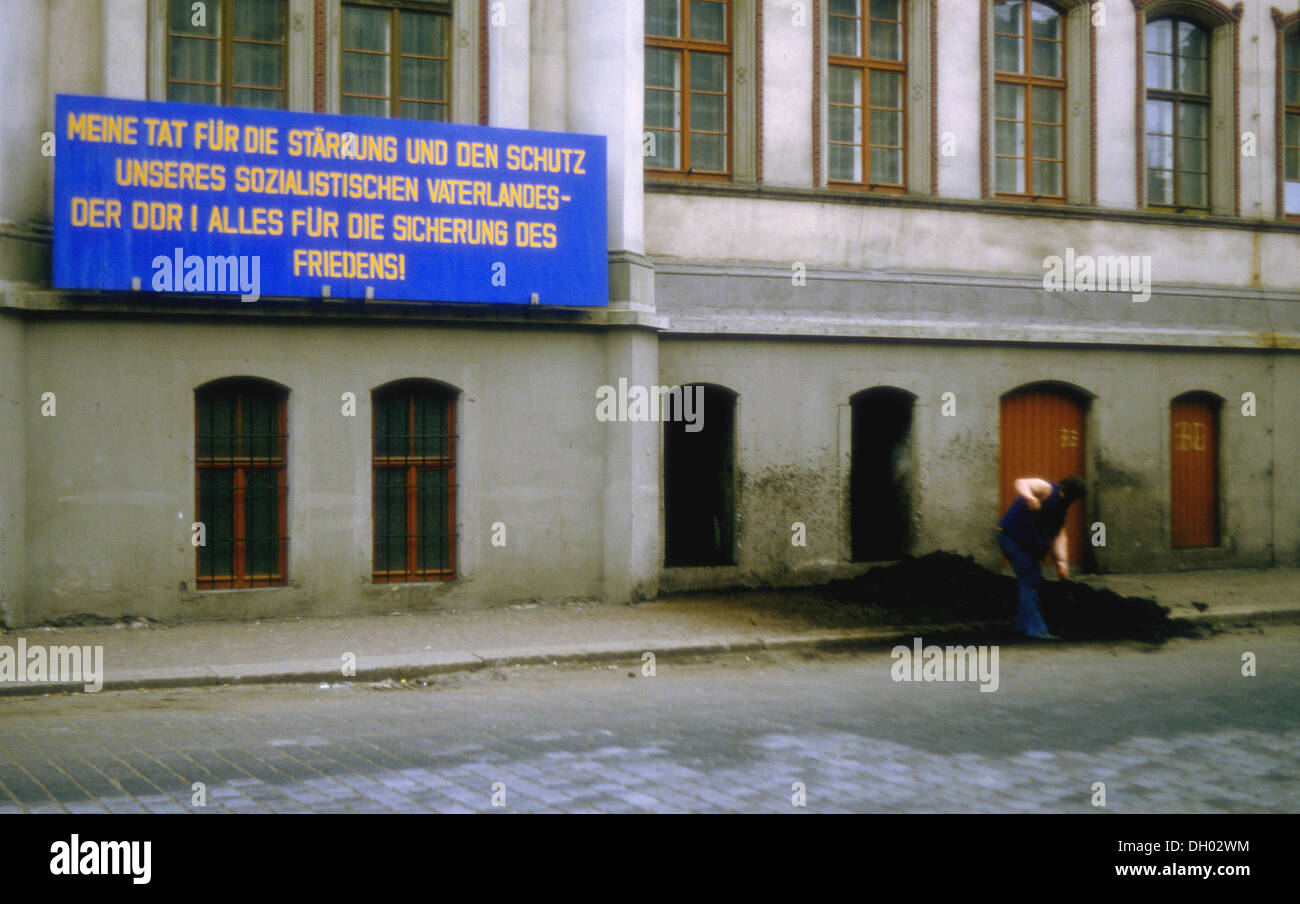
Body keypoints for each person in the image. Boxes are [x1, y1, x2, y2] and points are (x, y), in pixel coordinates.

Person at [997, 475, 1087, 640]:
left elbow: (1059, 535)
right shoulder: (1046, 488)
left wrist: (1062, 561)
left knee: (1030, 580)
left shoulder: (1062, 509)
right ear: (1064, 494)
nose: (1071, 503)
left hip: (1028, 543)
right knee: (1030, 580)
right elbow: (1021, 482)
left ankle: (1022, 624)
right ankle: (1035, 630)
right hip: (1012, 538)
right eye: (1072, 499)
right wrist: (1029, 497)